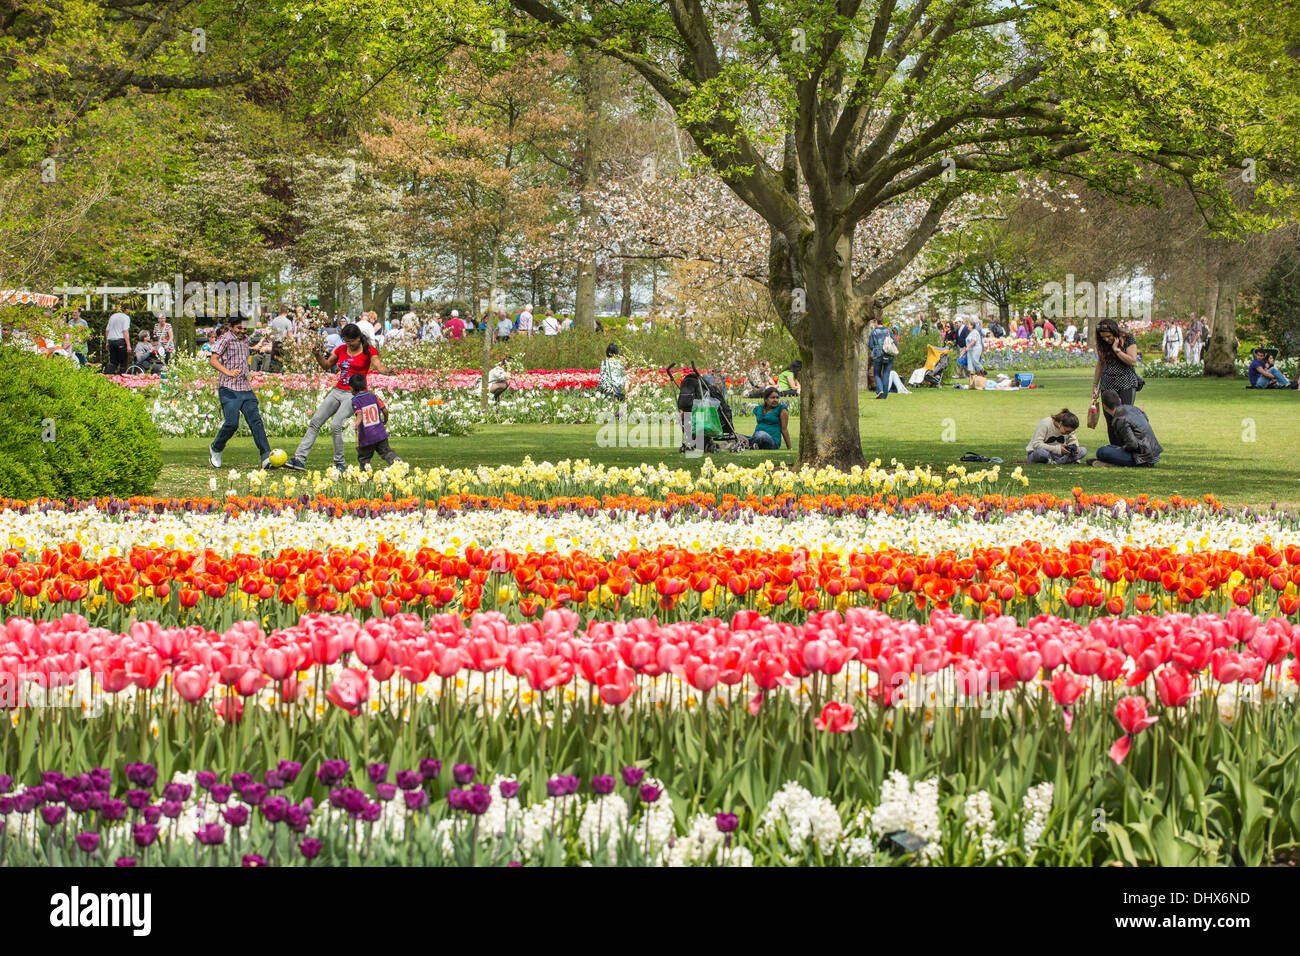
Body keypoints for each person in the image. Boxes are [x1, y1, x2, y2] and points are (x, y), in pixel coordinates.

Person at [286, 323, 388, 472]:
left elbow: (378, 365)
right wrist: (317, 355)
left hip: (353, 395)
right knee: (315, 422)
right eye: (346, 341)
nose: (349, 344)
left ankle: (339, 464)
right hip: (337, 390)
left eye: (351, 341)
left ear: (359, 338)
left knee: (335, 425)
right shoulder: (341, 350)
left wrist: (387, 371)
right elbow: (326, 365)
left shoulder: (369, 351)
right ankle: (299, 459)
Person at [207, 315, 272, 469]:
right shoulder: (225, 339)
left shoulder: (246, 339)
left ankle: (266, 457)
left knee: (256, 421)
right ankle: (216, 448)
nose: (243, 331)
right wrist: (228, 372)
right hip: (228, 387)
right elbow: (213, 360)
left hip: (245, 388)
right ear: (231, 327)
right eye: (239, 328)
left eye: (244, 328)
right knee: (231, 423)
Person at [1091, 317, 1142, 445]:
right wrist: (1095, 385)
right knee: (1110, 419)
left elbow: (1132, 361)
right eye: (1103, 337)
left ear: (1115, 332)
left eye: (1108, 336)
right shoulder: (1103, 344)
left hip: (1126, 383)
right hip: (1108, 383)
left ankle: (1127, 446)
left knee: (1124, 417)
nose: (1106, 339)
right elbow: (1100, 364)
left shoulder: (1128, 339)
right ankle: (1114, 448)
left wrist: (1117, 350)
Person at [1091, 390, 1163, 467]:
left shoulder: (1120, 419)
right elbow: (1145, 420)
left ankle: (1113, 464)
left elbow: (1133, 444)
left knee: (1101, 451)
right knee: (1110, 447)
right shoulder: (1133, 408)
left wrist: (1122, 448)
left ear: (1104, 406)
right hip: (1153, 452)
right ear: (1120, 400)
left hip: (1143, 458)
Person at [348, 373, 400, 469]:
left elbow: (359, 415)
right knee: (387, 452)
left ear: (353, 388)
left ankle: (367, 477)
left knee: (364, 458)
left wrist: (355, 425)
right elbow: (385, 410)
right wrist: (385, 420)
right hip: (380, 434)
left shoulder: (356, 400)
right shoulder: (374, 397)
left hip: (366, 437)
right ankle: (397, 463)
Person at [867, 319, 899, 400]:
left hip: (877, 355)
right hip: (889, 354)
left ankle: (880, 390)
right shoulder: (889, 331)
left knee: (877, 374)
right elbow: (895, 342)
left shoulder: (873, 332)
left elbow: (870, 345)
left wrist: (875, 349)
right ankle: (884, 396)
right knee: (886, 374)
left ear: (876, 322)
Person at [105, 306, 131, 374]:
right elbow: (125, 331)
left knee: (113, 363)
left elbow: (107, 330)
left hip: (111, 341)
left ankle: (107, 377)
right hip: (120, 341)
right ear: (126, 310)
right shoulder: (126, 317)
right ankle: (121, 380)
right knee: (123, 363)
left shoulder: (113, 316)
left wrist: (107, 342)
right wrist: (128, 345)